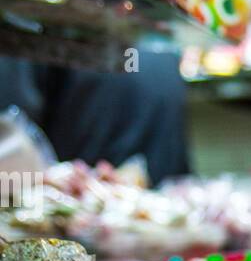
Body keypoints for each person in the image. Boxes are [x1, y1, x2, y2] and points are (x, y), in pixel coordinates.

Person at [0, 49, 190, 184]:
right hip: (166, 207)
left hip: (91, 208)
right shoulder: (162, 44)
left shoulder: (51, 36)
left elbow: (11, 135)